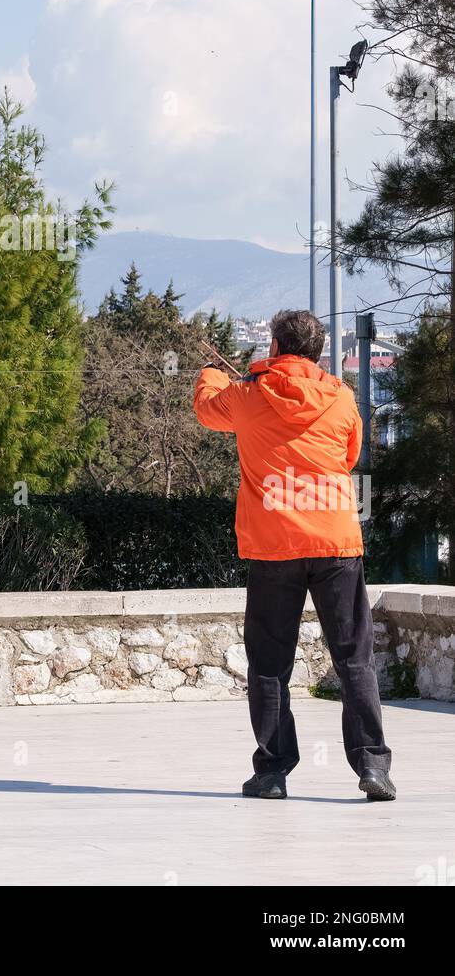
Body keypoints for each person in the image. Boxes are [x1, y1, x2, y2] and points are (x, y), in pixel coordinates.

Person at [193, 309, 394, 802]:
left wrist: (212, 373)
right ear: (318, 352)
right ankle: (373, 768)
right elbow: (348, 456)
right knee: (354, 660)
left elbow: (205, 409)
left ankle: (273, 770)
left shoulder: (246, 395)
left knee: (268, 664)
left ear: (276, 347)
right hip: (335, 540)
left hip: (274, 544)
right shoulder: (343, 399)